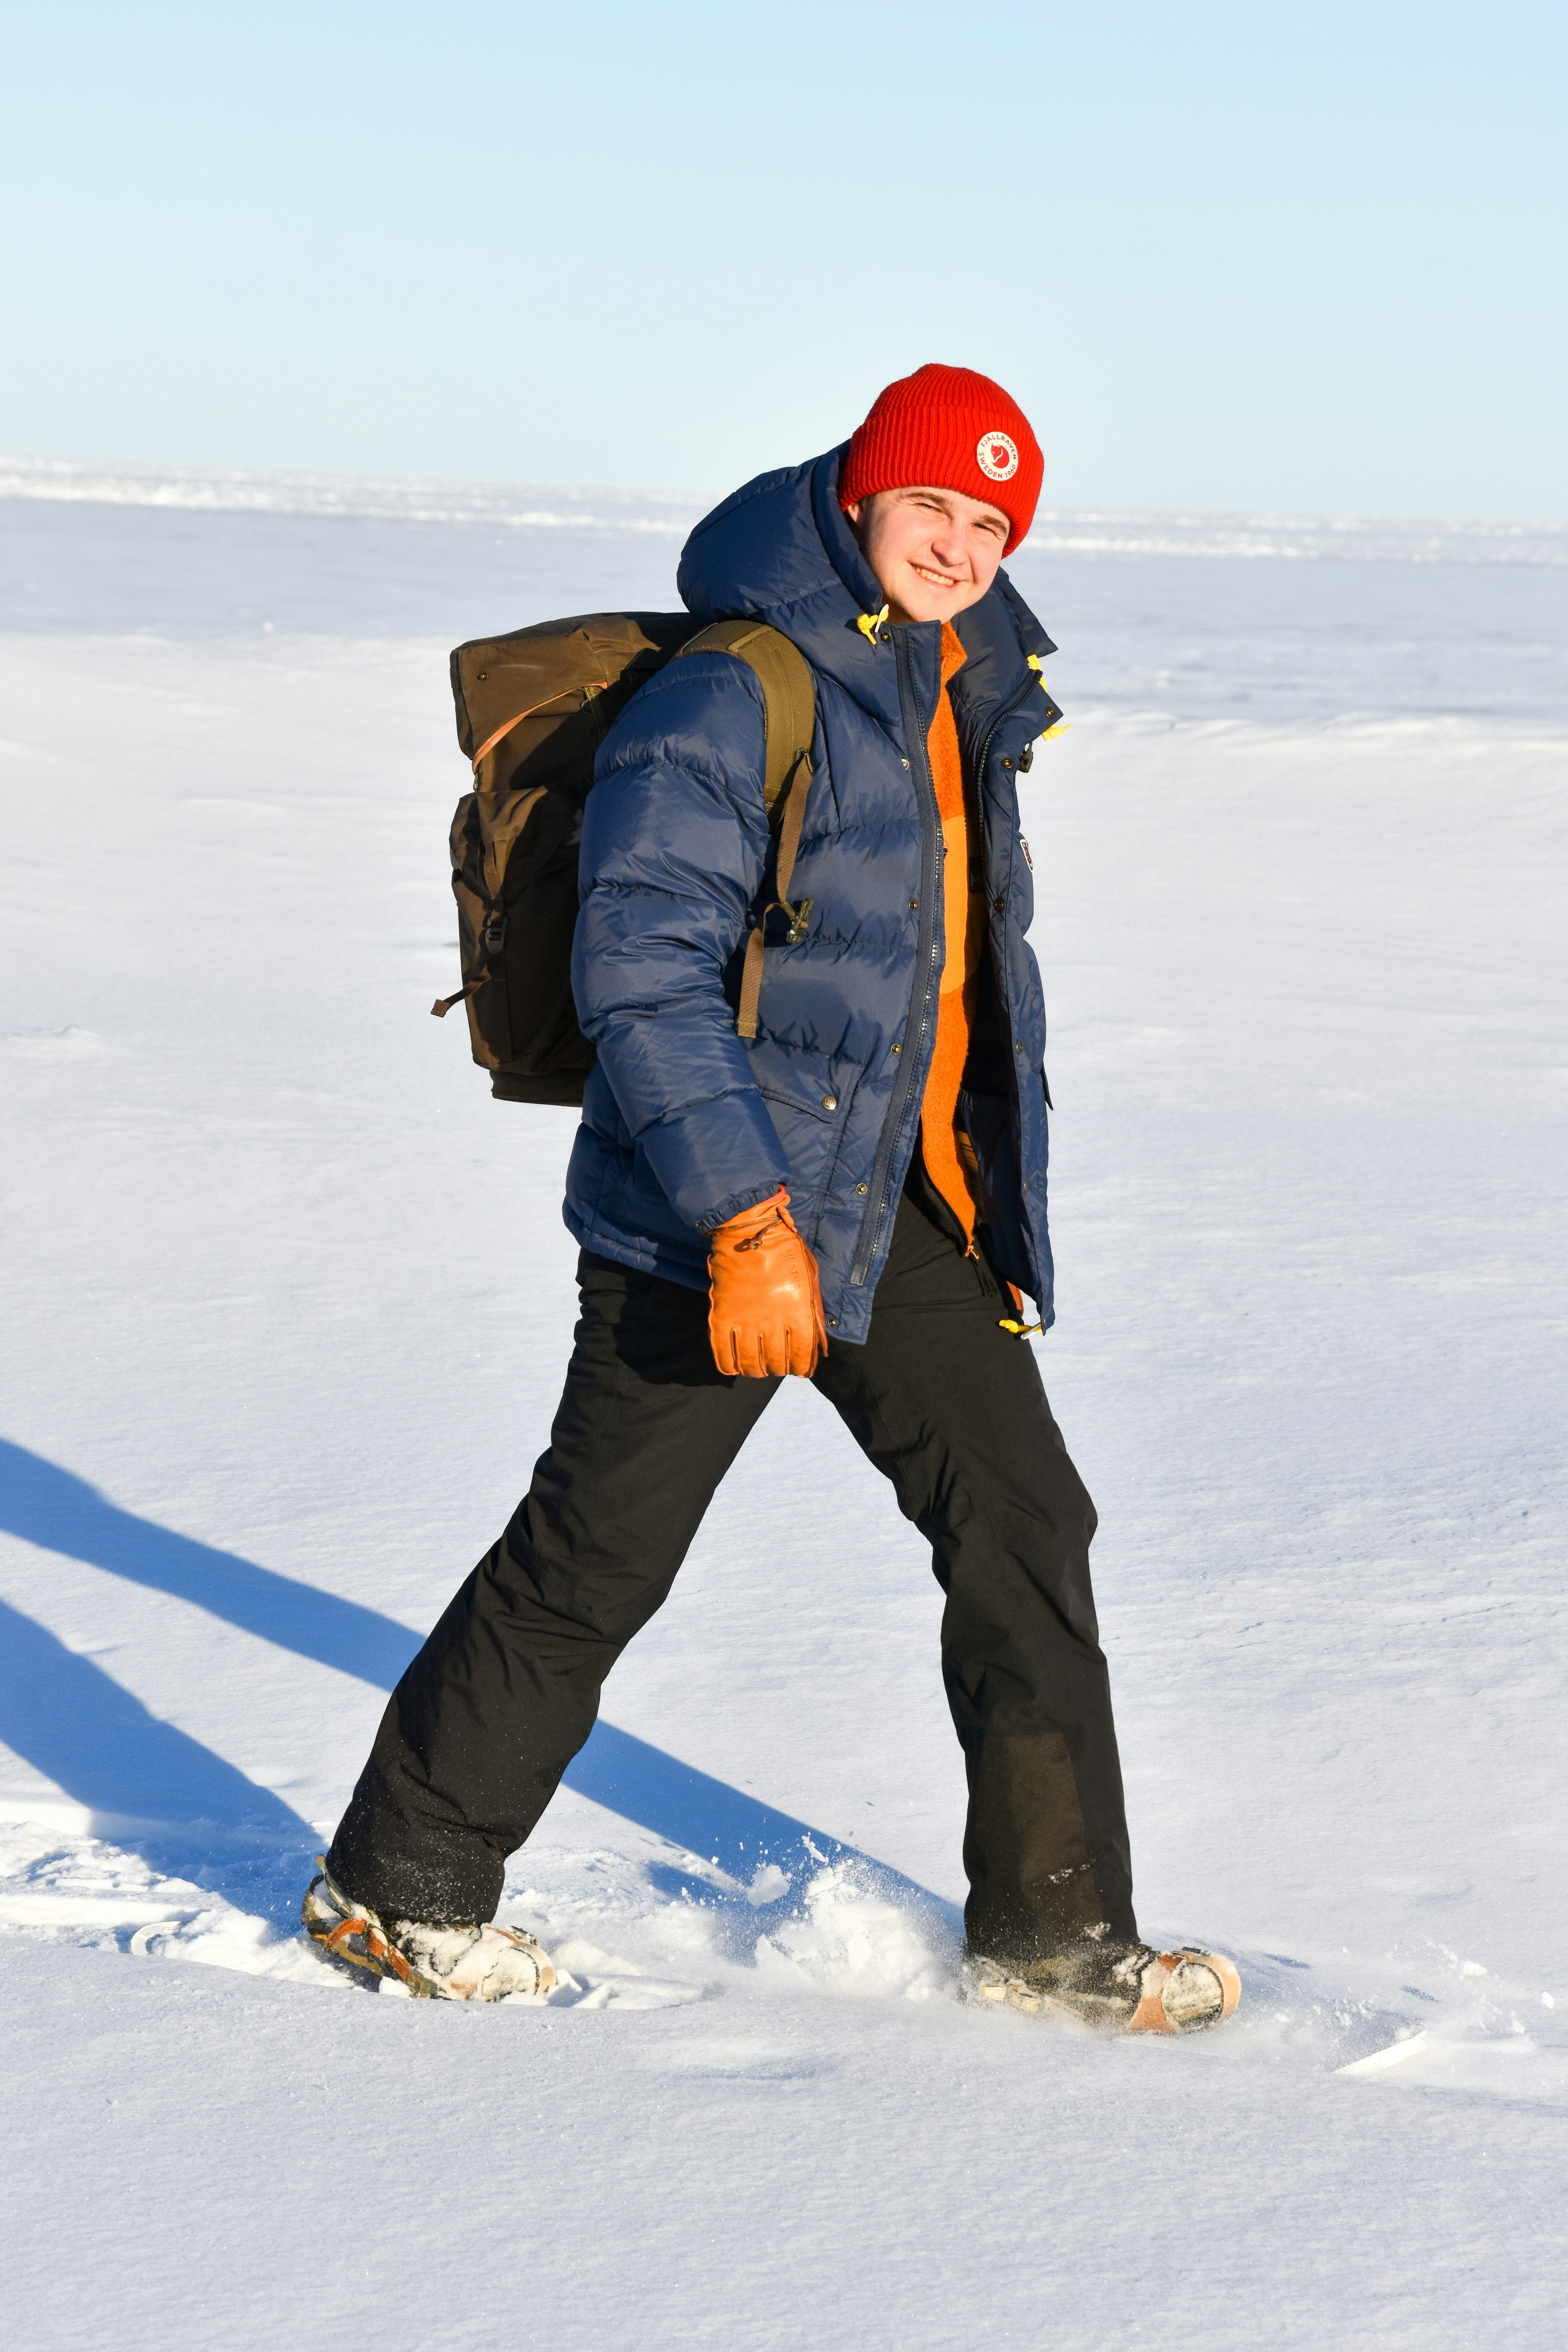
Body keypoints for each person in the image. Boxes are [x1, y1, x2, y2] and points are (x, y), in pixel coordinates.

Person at [304, 364, 1240, 2034]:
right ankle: (397, 1882)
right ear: (859, 496)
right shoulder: (738, 683)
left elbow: (947, 978)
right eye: (930, 504)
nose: (955, 542)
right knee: (598, 1552)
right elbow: (641, 964)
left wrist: (980, 1200)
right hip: (709, 1207)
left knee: (1026, 1525)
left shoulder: (964, 683)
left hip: (902, 1208)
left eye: (988, 519)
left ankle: (1055, 1931)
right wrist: (746, 1218)